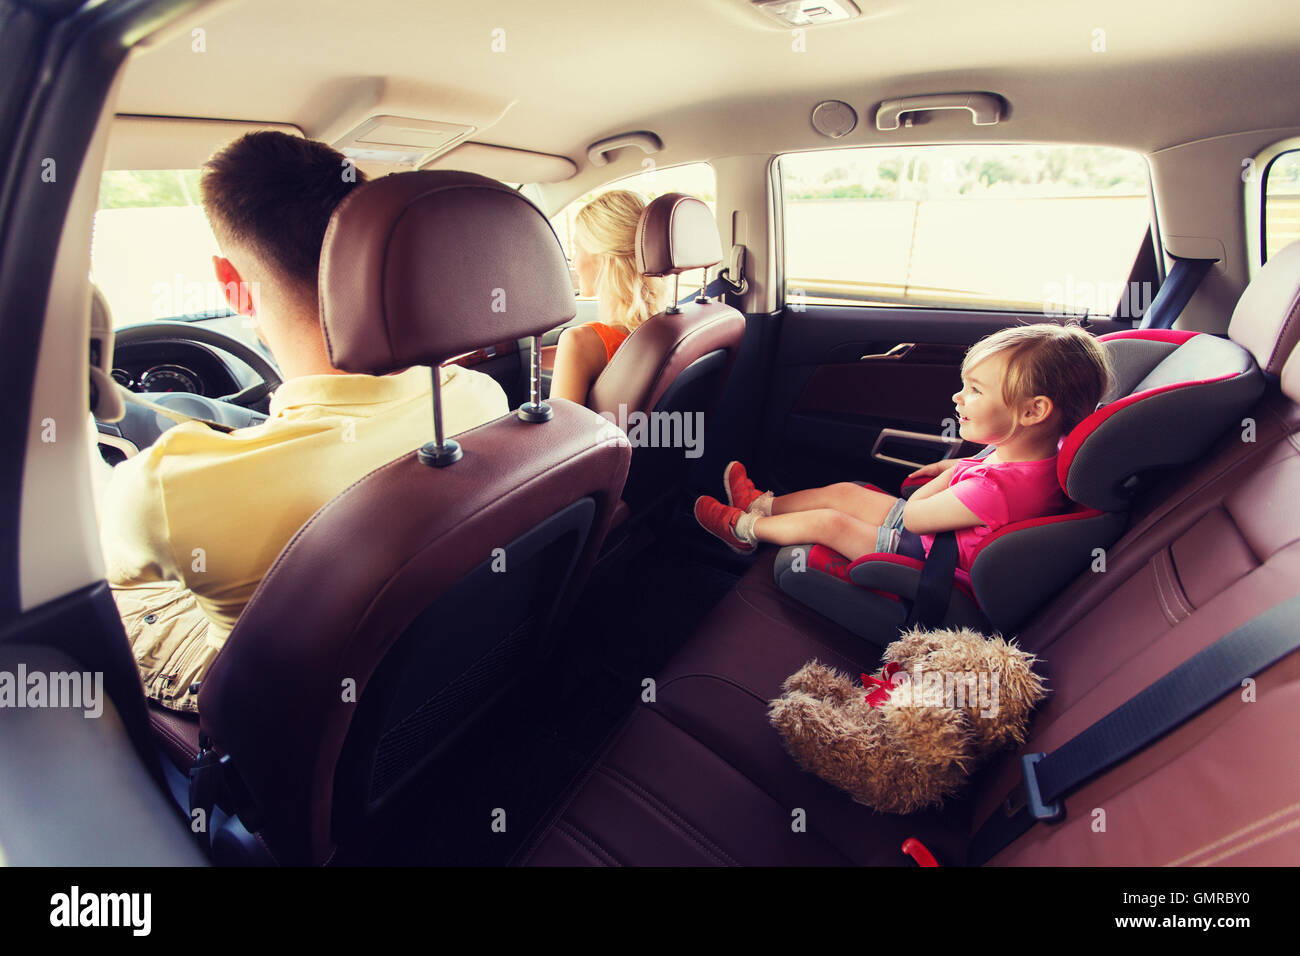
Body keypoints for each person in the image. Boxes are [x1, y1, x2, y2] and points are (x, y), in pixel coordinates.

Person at [96, 131, 509, 714]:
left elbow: (94, 566)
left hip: (282, 717)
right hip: (427, 681)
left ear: (231, 283)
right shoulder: (483, 398)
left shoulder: (167, 487)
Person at [694, 323, 1113, 570]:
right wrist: (951, 471)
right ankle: (761, 504)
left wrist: (944, 480)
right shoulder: (1034, 449)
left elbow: (912, 515)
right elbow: (979, 476)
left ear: (1033, 411)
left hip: (924, 555)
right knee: (843, 493)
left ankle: (746, 530)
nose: (958, 398)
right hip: (941, 531)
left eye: (974, 391)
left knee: (829, 523)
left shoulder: (1001, 488)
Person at [548, 189, 669, 405]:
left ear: (604, 258)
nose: (574, 262)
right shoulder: (678, 326)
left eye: (577, 248)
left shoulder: (579, 343)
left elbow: (559, 435)